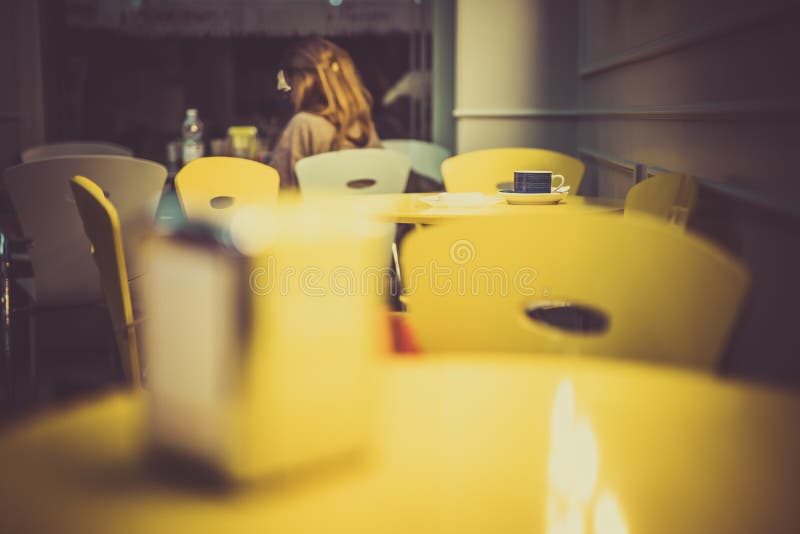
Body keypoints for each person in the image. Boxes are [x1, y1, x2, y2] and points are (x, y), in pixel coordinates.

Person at [270, 37, 382, 190]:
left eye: (290, 74)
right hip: (366, 213)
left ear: (306, 78)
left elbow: (278, 191)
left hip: (317, 214)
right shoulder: (364, 127)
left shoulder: (304, 125)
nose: (287, 85)